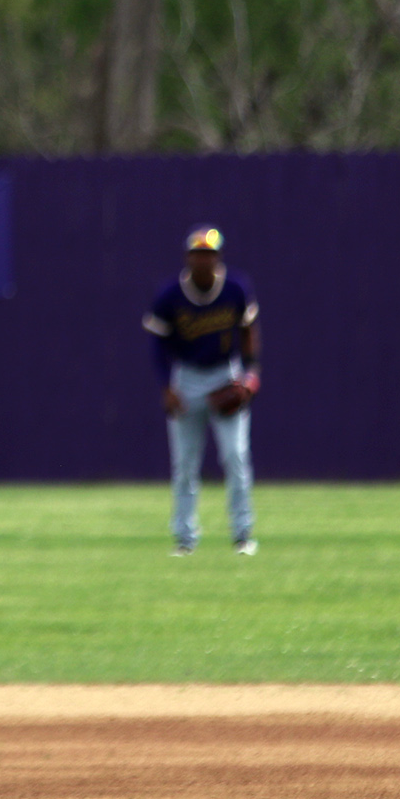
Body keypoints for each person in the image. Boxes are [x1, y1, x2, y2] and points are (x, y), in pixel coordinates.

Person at [142, 226, 260, 556]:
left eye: (209, 254)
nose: (203, 260)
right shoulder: (170, 294)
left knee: (236, 457)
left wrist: (251, 374)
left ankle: (243, 535)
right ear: (188, 258)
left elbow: (248, 329)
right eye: (198, 254)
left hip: (226, 373)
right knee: (185, 464)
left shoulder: (236, 288)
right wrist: (167, 386)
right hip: (188, 377)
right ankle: (185, 538)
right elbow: (157, 344)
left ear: (218, 257)